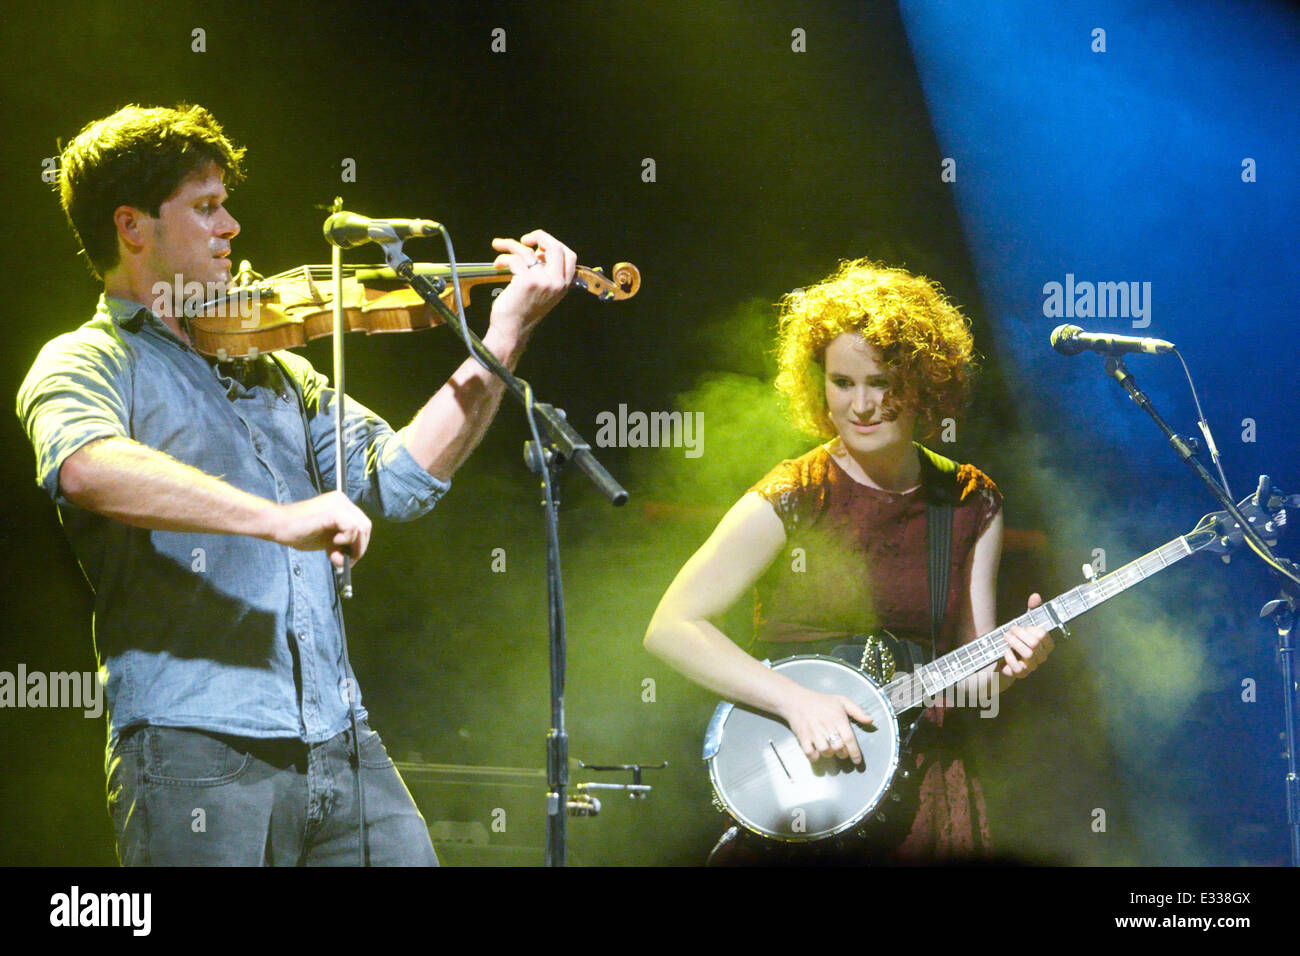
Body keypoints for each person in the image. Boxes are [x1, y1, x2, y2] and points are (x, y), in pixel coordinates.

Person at [16, 103, 576, 866]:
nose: (231, 226)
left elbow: (401, 479)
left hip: (342, 741)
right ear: (132, 226)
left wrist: (504, 335)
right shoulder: (85, 360)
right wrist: (278, 518)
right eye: (205, 207)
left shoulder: (278, 367)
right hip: (195, 749)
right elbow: (86, 465)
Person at [643, 258, 1055, 864]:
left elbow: (971, 678)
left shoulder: (970, 500)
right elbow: (671, 626)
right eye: (842, 382)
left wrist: (1015, 666)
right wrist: (795, 700)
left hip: (921, 789)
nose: (861, 404)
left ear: (922, 384)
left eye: (881, 382)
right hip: (804, 784)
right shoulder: (796, 490)